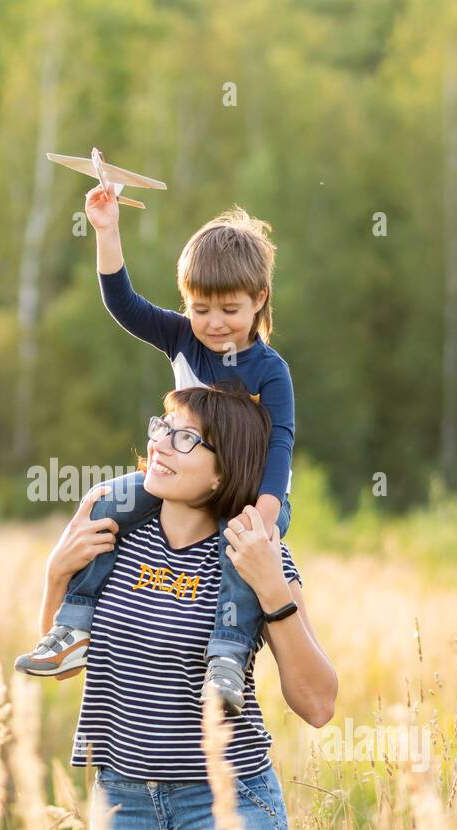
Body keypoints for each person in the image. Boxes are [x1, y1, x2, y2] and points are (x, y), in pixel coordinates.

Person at [32, 383, 337, 830]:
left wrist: (272, 588)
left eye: (186, 438)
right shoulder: (113, 535)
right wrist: (54, 576)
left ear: (226, 474)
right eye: (161, 428)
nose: (161, 445)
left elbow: (318, 703)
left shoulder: (252, 552)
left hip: (229, 806)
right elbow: (63, 664)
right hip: (123, 802)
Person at [15, 188, 296, 714]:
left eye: (230, 310)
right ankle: (73, 627)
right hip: (183, 474)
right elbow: (123, 303)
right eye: (200, 308)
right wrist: (106, 232)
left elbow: (280, 439)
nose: (214, 323)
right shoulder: (182, 338)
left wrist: (268, 505)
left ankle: (228, 660)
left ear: (259, 300)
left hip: (251, 492)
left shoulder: (270, 370)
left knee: (240, 550)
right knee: (104, 502)